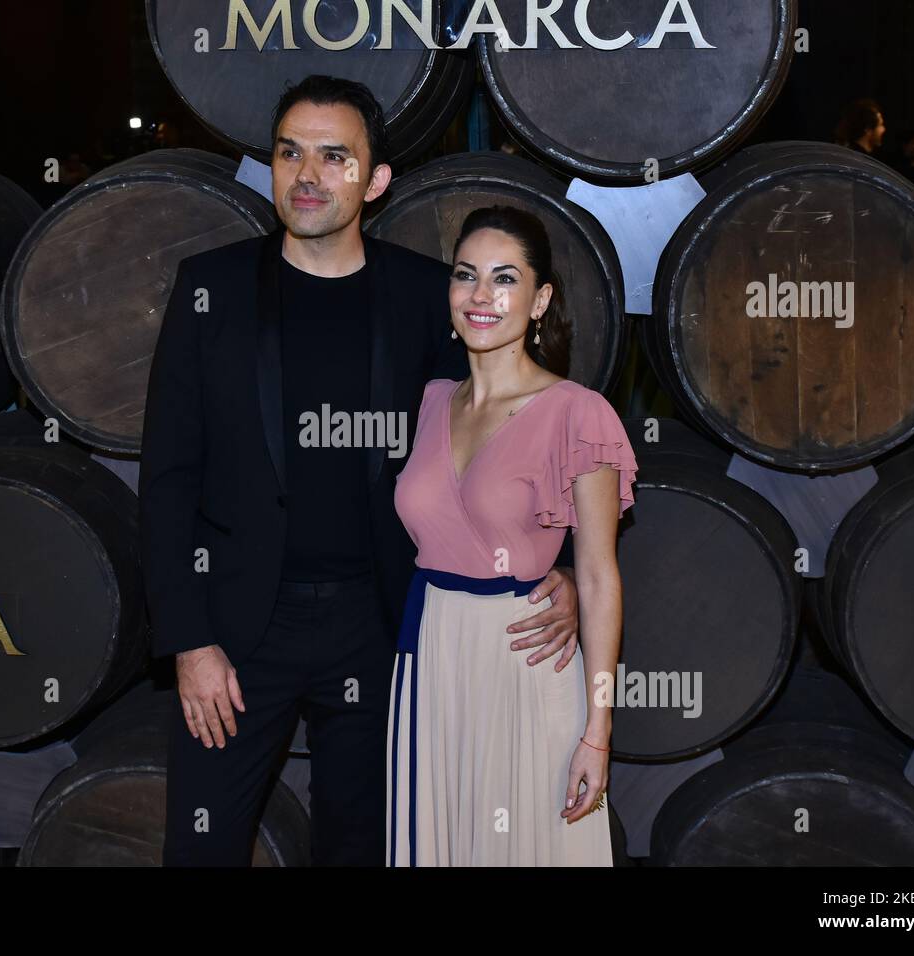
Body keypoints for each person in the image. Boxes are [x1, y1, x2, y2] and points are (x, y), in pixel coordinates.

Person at [139, 75, 584, 866]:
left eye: (334, 157)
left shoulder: (422, 294)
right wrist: (189, 640)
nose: (307, 175)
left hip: (381, 627)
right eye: (290, 153)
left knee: (367, 848)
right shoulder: (210, 290)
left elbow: (508, 427)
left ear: (374, 181)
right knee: (199, 849)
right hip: (238, 632)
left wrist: (566, 562)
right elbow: (168, 475)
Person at [388, 206, 636, 866]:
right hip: (432, 660)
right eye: (466, 275)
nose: (480, 296)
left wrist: (599, 731)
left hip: (527, 668)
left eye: (504, 279)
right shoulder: (433, 400)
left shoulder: (579, 414)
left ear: (539, 299)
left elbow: (599, 579)